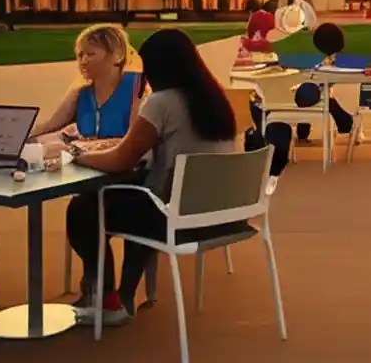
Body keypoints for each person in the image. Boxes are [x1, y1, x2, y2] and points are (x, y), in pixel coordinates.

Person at [65, 29, 238, 325]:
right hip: (221, 214)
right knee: (136, 198)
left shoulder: (162, 102)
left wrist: (80, 156)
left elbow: (121, 159)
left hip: (175, 217)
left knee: (84, 209)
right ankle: (124, 296)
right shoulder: (214, 99)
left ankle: (106, 297)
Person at [29, 24, 145, 157]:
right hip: (88, 167)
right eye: (80, 55)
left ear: (118, 55)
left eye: (90, 54)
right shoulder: (80, 93)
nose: (83, 61)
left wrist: (75, 148)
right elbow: (47, 127)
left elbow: (133, 142)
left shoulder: (138, 88)